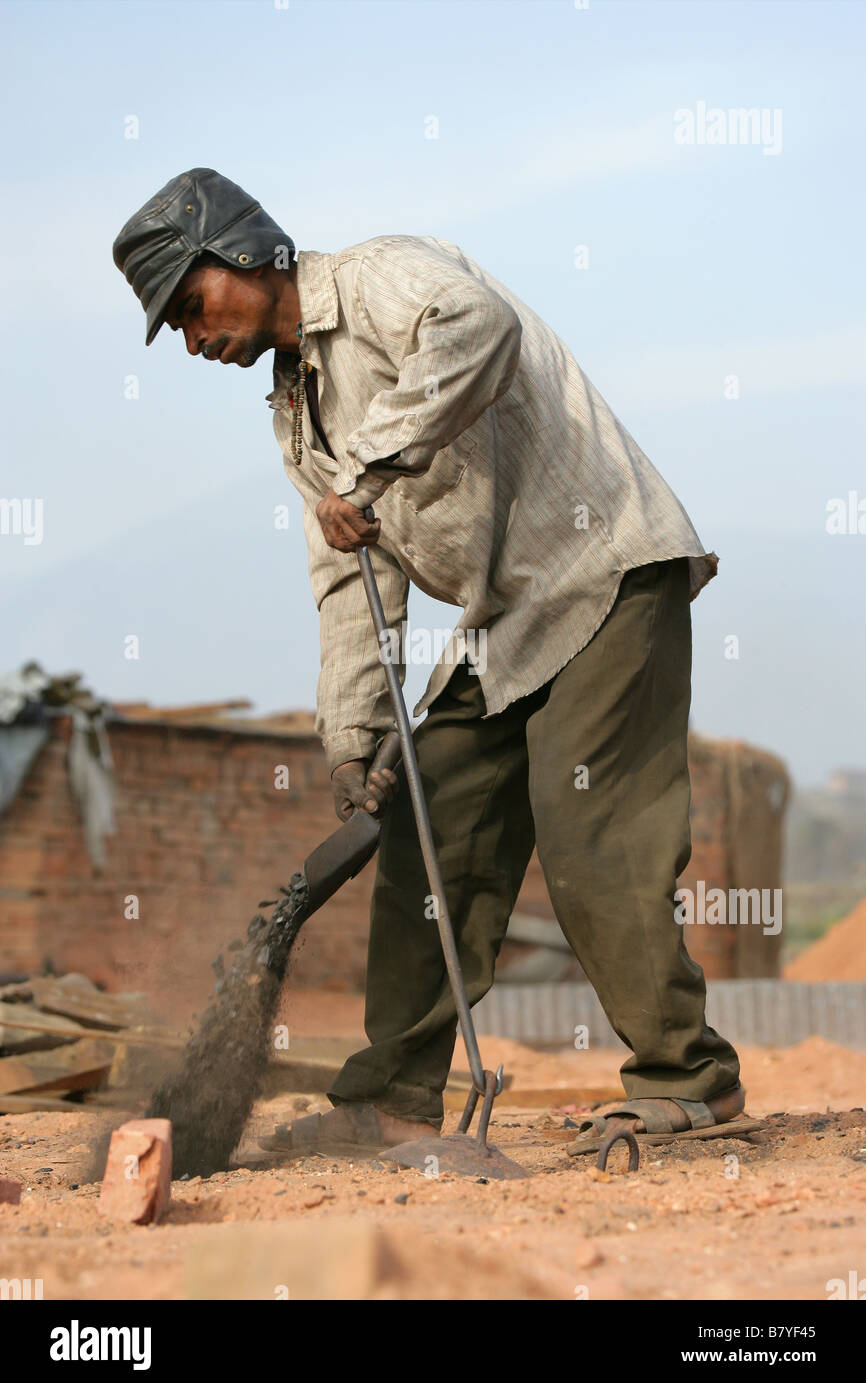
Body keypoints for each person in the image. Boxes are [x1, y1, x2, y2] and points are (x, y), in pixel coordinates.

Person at [114, 168, 744, 1156]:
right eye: (178, 329)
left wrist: (367, 464)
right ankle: (390, 1097)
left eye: (193, 307)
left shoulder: (375, 279)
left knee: (587, 828)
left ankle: (685, 1082)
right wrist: (356, 735)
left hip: (604, 566)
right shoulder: (294, 413)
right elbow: (347, 577)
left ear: (243, 253)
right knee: (424, 827)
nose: (195, 339)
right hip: (503, 617)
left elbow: (479, 326)